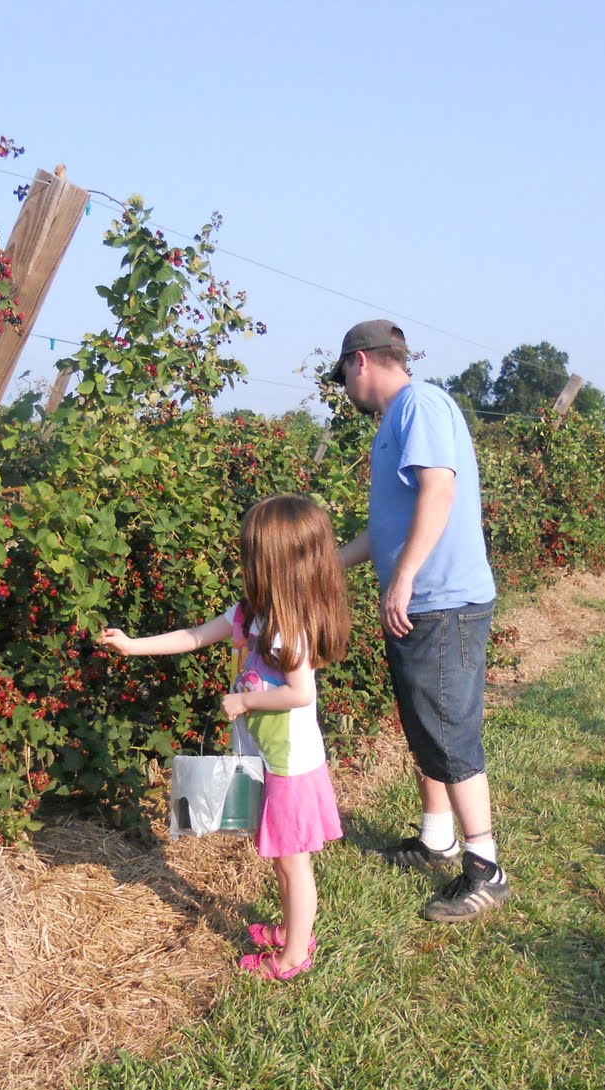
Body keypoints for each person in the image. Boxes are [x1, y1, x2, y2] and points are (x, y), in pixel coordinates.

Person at [99, 494, 351, 980]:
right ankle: (291, 930)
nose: (245, 561)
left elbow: (300, 694)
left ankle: (294, 955)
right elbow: (195, 635)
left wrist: (247, 701)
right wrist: (132, 646)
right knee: (281, 860)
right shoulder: (251, 615)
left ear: (277, 562)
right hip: (267, 759)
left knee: (293, 864)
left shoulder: (287, 632)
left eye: (252, 553)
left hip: (290, 766)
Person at [330, 319, 511, 923]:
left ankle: (486, 870)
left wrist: (402, 579)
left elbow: (439, 492)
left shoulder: (420, 405)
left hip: (441, 599)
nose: (346, 391)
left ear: (361, 362)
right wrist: (328, 565)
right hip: (421, 600)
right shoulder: (397, 420)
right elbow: (388, 526)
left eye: (344, 377)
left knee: (450, 731)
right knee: (425, 725)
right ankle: (438, 837)